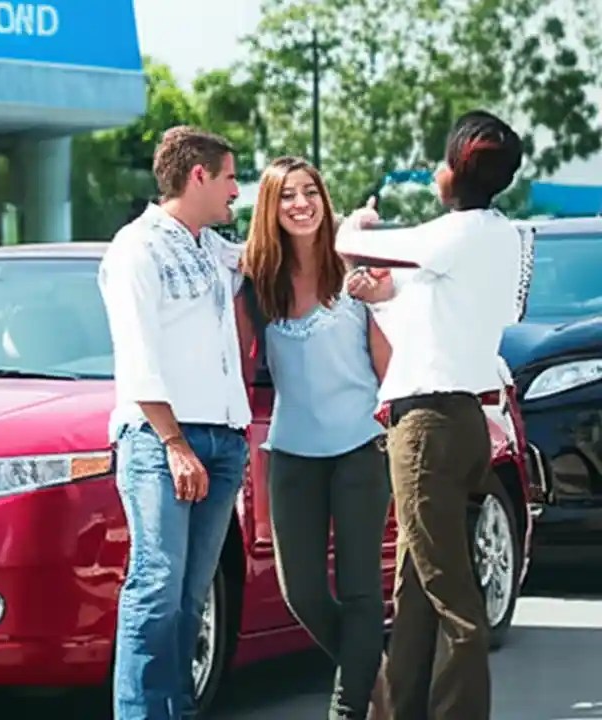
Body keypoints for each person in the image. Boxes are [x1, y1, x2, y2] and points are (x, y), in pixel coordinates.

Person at [336, 110, 526, 720]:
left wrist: (359, 221)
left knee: (450, 597)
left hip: (426, 431)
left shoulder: (451, 235)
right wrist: (386, 299)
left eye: (443, 163)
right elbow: (434, 321)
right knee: (415, 588)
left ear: (454, 173)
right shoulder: (502, 236)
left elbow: (349, 242)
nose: (437, 173)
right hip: (464, 419)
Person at [98, 126, 249, 720]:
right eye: (232, 177)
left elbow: (278, 257)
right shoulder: (135, 249)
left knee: (192, 598)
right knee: (155, 588)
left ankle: (176, 711)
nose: (238, 190)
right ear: (199, 176)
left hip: (223, 439)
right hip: (161, 441)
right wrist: (175, 445)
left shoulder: (212, 247)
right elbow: (138, 356)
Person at [238, 156, 392, 720]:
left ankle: (348, 708)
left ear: (325, 202)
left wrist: (381, 290)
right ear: (269, 208)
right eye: (287, 196)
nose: (301, 204)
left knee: (359, 592)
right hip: (293, 454)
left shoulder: (355, 268)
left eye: (311, 193)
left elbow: (387, 365)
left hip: (360, 447)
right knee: (300, 591)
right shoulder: (256, 278)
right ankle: (374, 672)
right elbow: (232, 357)